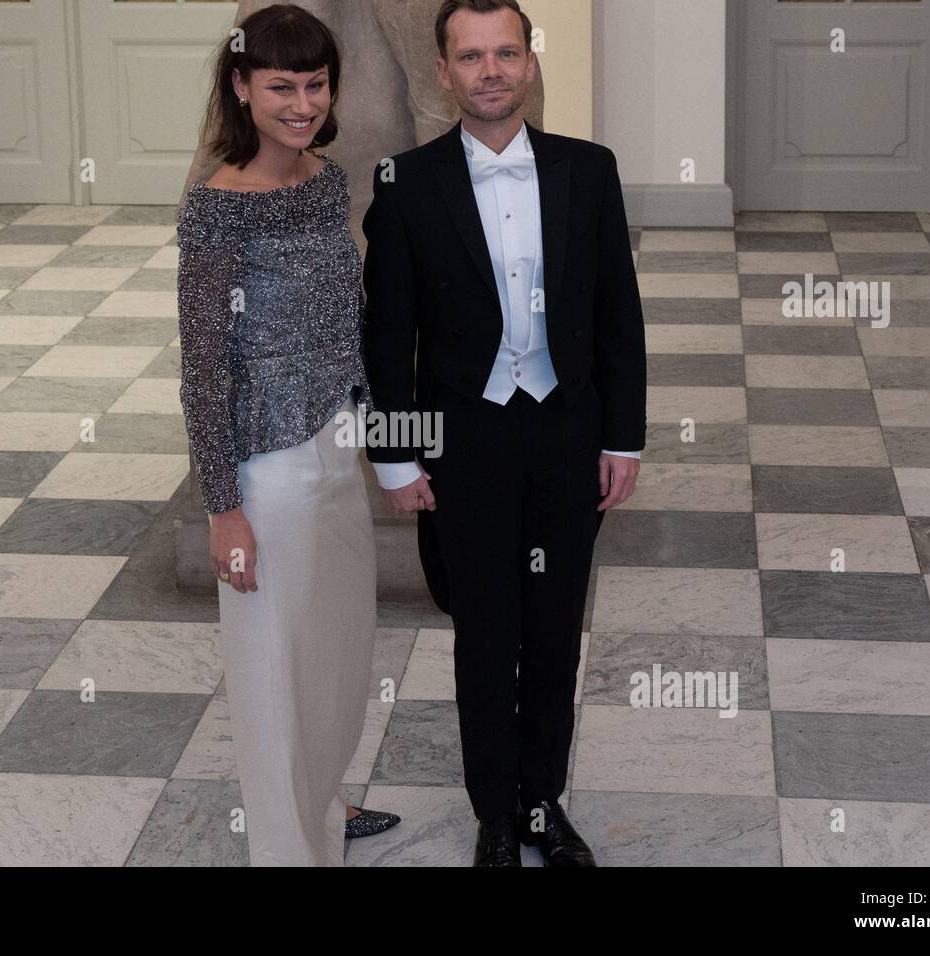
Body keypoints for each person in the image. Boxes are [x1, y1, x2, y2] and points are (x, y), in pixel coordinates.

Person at [362, 0, 646, 866]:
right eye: (471, 56)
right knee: (485, 632)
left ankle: (540, 805)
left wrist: (623, 440)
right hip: (466, 445)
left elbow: (616, 317)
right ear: (443, 73)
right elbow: (389, 334)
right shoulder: (403, 183)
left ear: (529, 64)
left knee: (555, 629)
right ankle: (494, 810)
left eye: (507, 53)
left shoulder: (587, 171)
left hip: (566, 436)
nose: (491, 70)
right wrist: (397, 453)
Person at [176, 3, 400, 866]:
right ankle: (288, 852)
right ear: (241, 86)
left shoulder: (323, 178)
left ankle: (326, 805)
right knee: (274, 683)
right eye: (281, 86)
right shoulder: (215, 209)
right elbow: (203, 370)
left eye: (315, 83)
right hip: (267, 472)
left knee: (338, 658)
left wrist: (385, 438)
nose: (302, 103)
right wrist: (222, 510)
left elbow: (353, 316)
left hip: (335, 450)